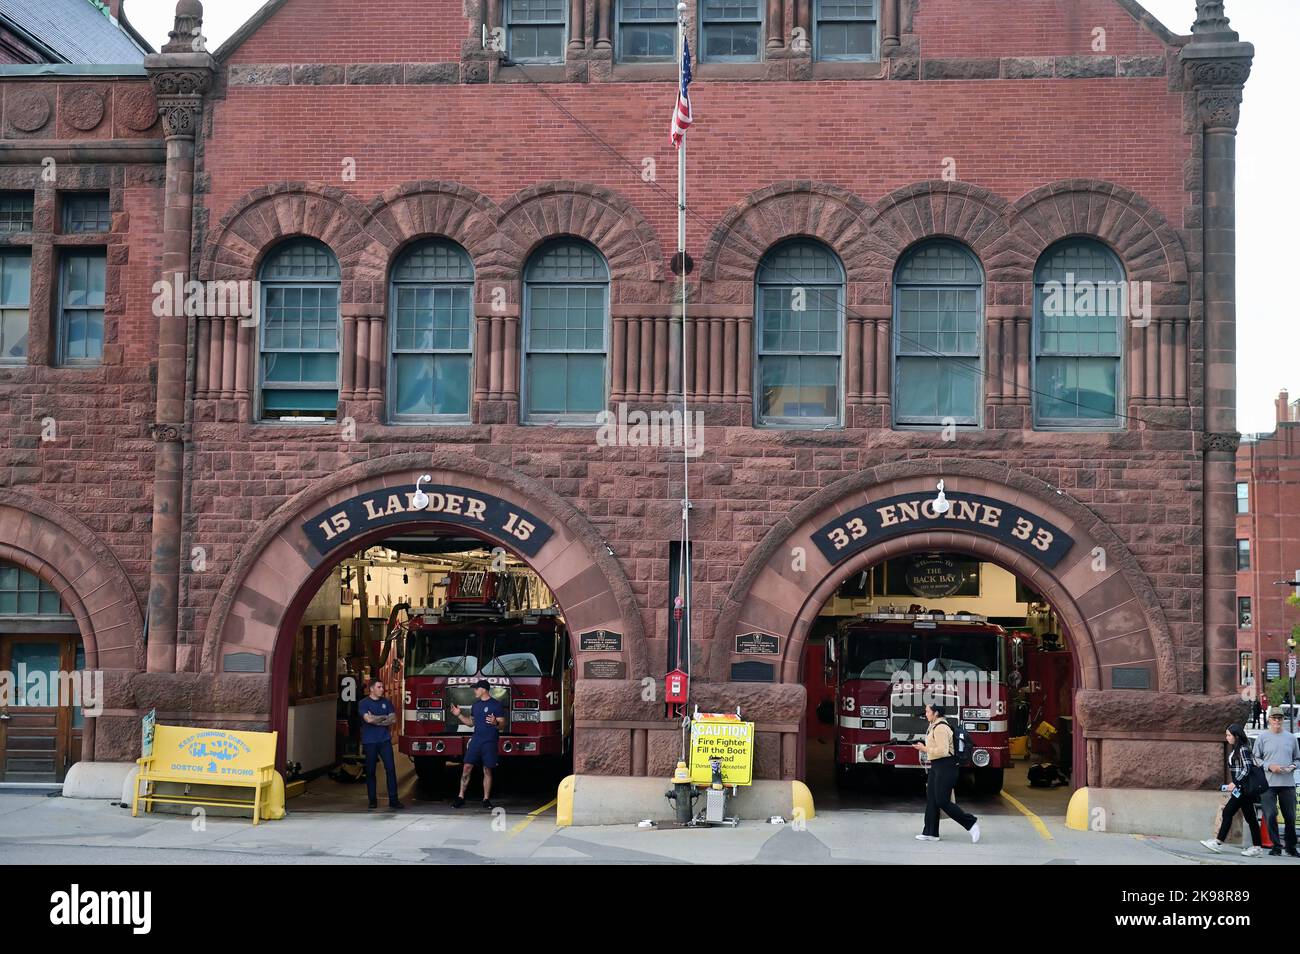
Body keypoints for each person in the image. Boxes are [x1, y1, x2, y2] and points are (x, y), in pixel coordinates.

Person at [912, 703, 980, 843]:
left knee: (942, 801)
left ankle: (970, 823)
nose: (925, 714)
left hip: (946, 766)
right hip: (937, 766)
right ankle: (930, 833)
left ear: (936, 713)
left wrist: (924, 749)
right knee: (932, 800)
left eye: (927, 711)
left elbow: (943, 751)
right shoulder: (935, 726)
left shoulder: (941, 728)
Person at [1200, 724, 1264, 857]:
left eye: (1229, 735)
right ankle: (1257, 847)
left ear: (1236, 736)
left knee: (1228, 811)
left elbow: (1247, 768)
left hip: (1242, 788)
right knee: (1251, 818)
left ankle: (1218, 842)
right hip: (1242, 789)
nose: (1227, 737)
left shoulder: (1243, 749)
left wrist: (1236, 783)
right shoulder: (1237, 749)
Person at [451, 680, 506, 809]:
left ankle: (486, 799)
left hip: (489, 741)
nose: (474, 691)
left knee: (487, 769)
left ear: (484, 690)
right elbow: (471, 723)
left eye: (476, 688)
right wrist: (459, 715)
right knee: (466, 767)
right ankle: (460, 797)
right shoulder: (475, 705)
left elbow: (502, 724)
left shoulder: (496, 705)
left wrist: (495, 723)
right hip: (476, 740)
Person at [1253, 707, 1300, 857]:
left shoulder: (1291, 738)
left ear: (1282, 719)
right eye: (1274, 718)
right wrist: (1269, 766)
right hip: (1268, 783)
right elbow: (1255, 758)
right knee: (1270, 814)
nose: (1277, 721)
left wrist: (1293, 766)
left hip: (1287, 783)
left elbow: (1297, 759)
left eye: (1279, 718)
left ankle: (1291, 847)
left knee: (1290, 817)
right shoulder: (1262, 738)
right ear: (1269, 720)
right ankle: (1276, 846)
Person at [357, 679, 405, 811]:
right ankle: (372, 800)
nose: (382, 689)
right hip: (370, 741)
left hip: (384, 740)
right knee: (371, 771)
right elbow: (367, 719)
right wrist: (383, 718)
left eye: (382, 687)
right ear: (371, 689)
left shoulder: (386, 702)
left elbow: (393, 719)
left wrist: (376, 719)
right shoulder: (363, 703)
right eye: (379, 687)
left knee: (390, 769)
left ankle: (394, 800)